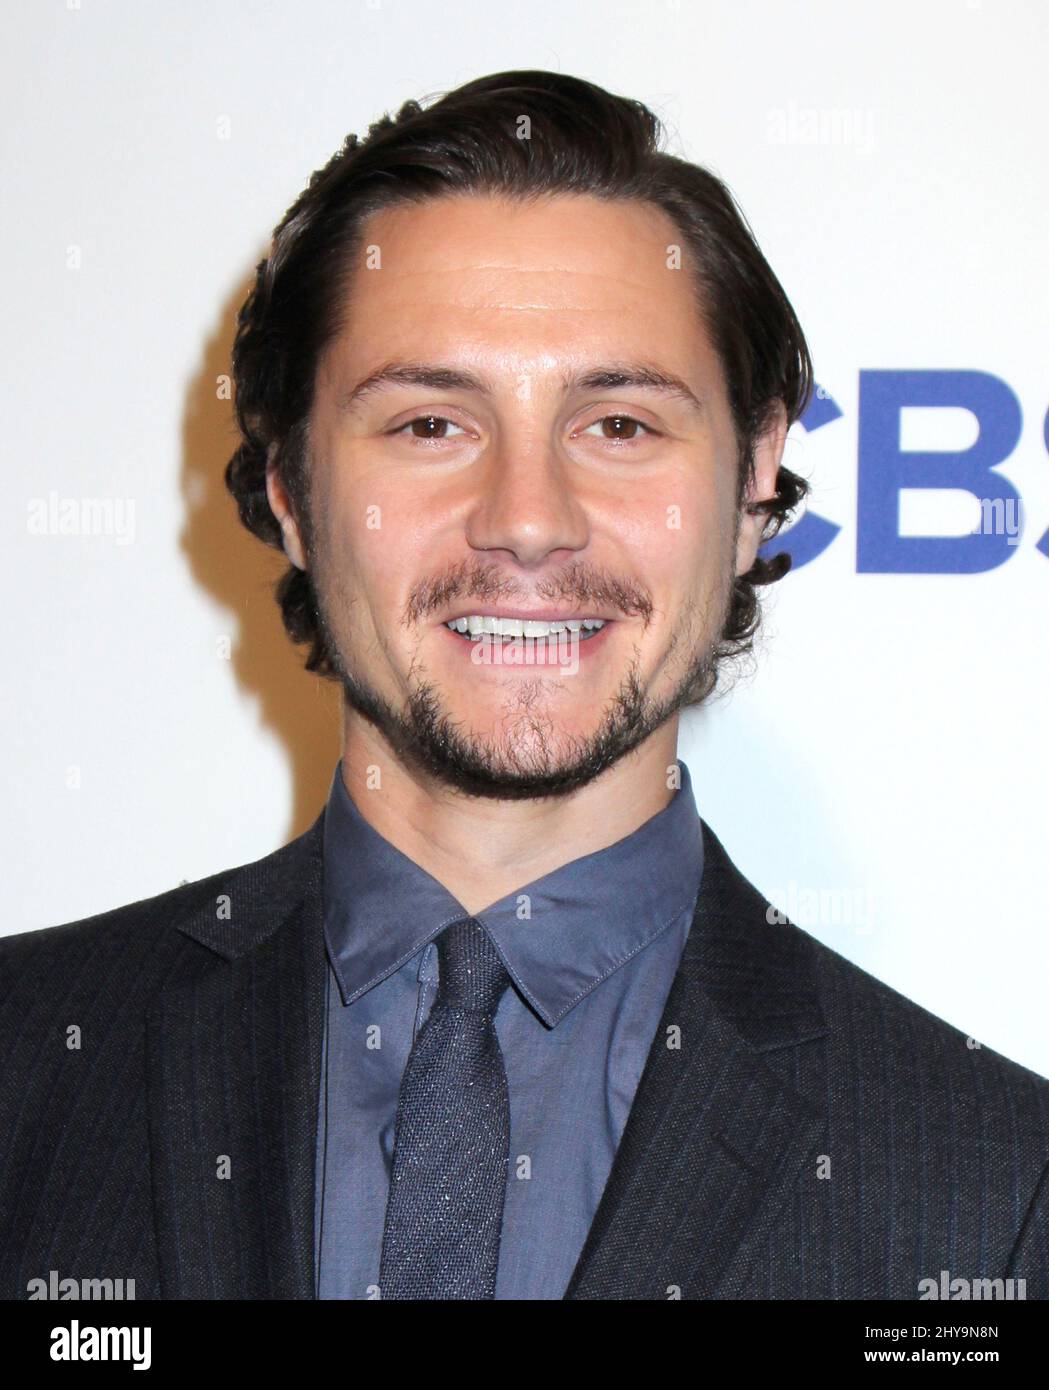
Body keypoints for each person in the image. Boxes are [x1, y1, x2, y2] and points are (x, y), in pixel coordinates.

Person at [2, 69, 1047, 1302]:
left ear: (754, 475)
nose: (529, 521)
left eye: (619, 425)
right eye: (429, 426)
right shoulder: (28, 1058)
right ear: (287, 485)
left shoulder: (992, 1187)